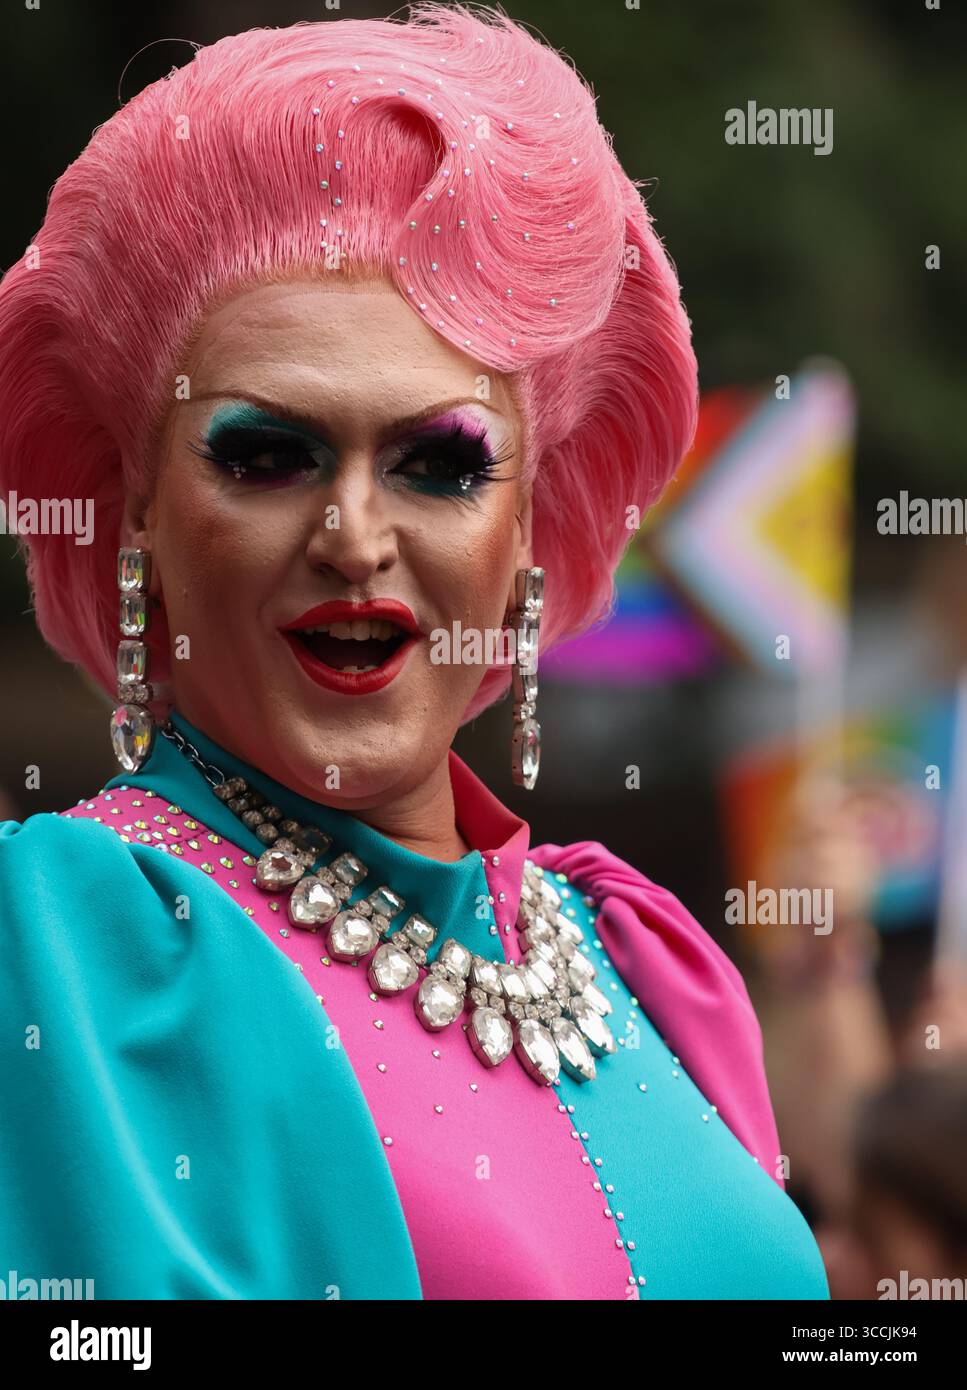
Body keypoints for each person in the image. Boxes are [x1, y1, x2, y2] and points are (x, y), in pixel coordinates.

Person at [0, 4, 828, 1300]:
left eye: (439, 464)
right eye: (266, 454)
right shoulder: (76, 944)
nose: (353, 534)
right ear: (141, 510)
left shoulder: (653, 963)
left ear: (526, 528)